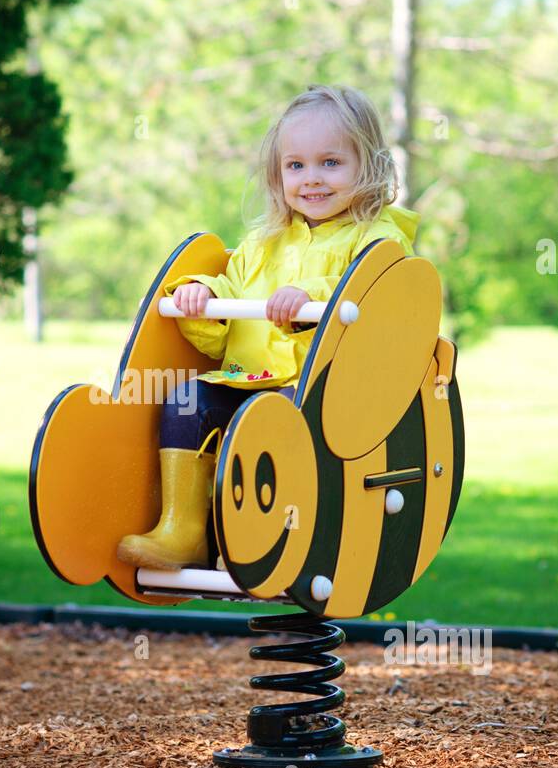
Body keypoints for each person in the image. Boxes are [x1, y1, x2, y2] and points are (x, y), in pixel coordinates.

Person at [115, 84, 419, 571]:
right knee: (187, 400)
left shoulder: (378, 238)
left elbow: (373, 292)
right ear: (278, 175)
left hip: (322, 397)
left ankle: (262, 539)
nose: (312, 179)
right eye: (295, 166)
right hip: (246, 381)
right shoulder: (262, 245)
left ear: (370, 165)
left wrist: (314, 298)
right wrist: (203, 299)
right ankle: (185, 531)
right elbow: (225, 320)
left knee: (265, 424)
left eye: (331, 163)